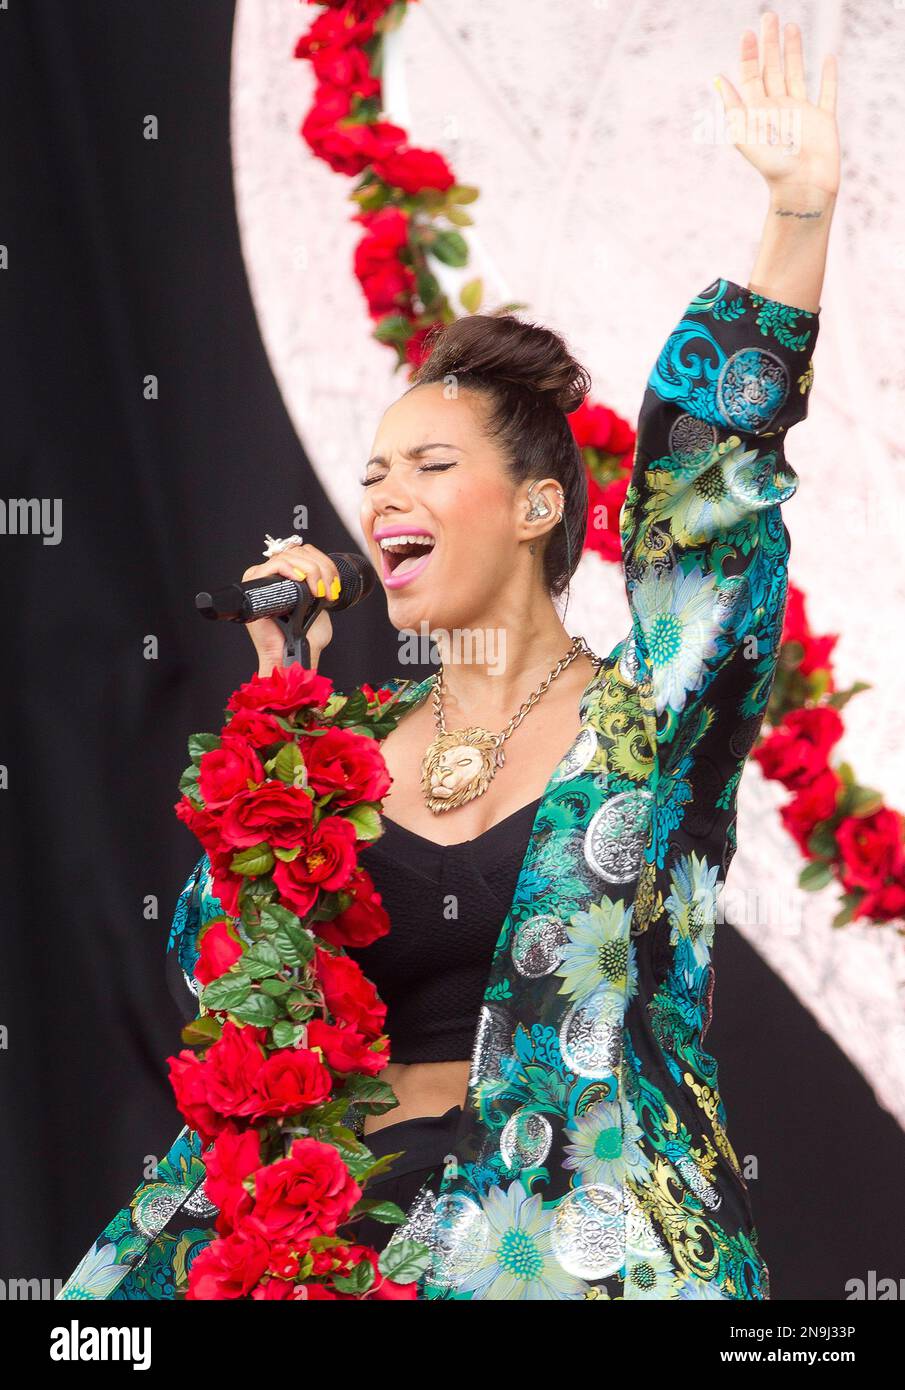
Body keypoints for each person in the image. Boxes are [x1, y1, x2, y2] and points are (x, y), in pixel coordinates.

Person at [58, 11, 838, 1300]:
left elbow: (712, 505)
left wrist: (795, 220)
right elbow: (239, 1008)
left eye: (431, 466)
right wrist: (282, 716)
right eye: (373, 477)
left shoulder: (648, 715)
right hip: (330, 1232)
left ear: (539, 508)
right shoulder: (345, 743)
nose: (385, 500)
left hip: (561, 1237)